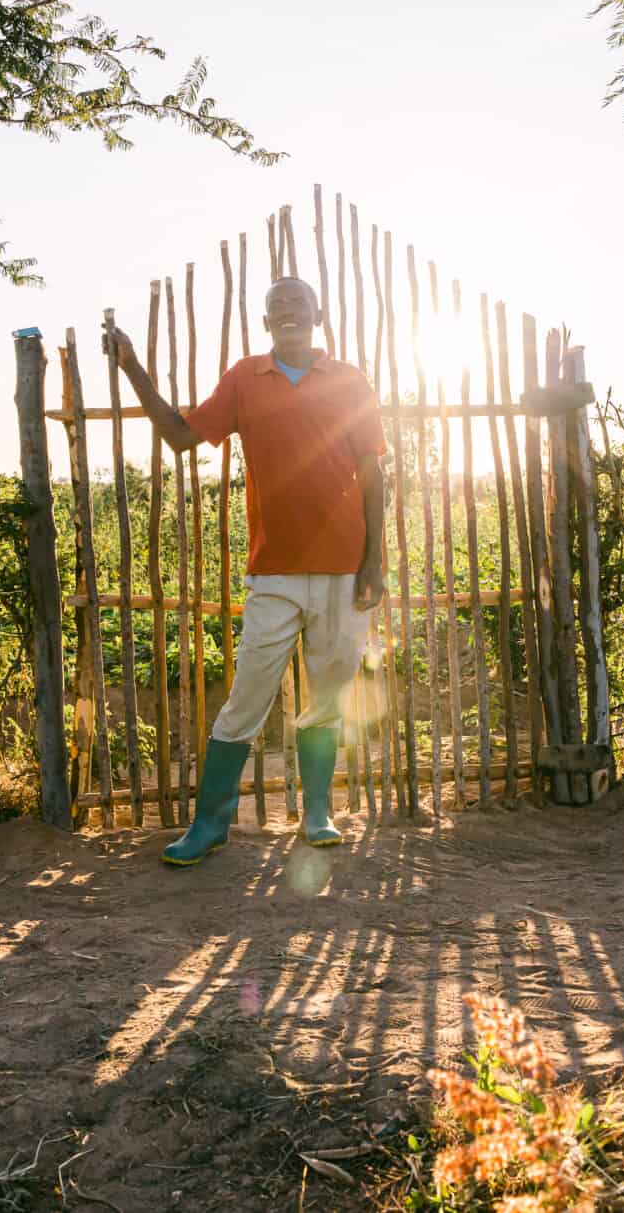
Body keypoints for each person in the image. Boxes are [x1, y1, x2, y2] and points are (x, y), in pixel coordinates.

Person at [105, 276, 387, 865]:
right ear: (265, 324)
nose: (288, 312)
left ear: (319, 313)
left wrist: (374, 561)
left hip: (342, 566)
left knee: (329, 695)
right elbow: (181, 437)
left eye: (298, 304)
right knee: (247, 698)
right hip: (275, 573)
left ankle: (315, 813)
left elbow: (373, 473)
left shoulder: (350, 381)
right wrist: (132, 367)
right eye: (276, 307)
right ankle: (210, 824)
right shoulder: (244, 380)